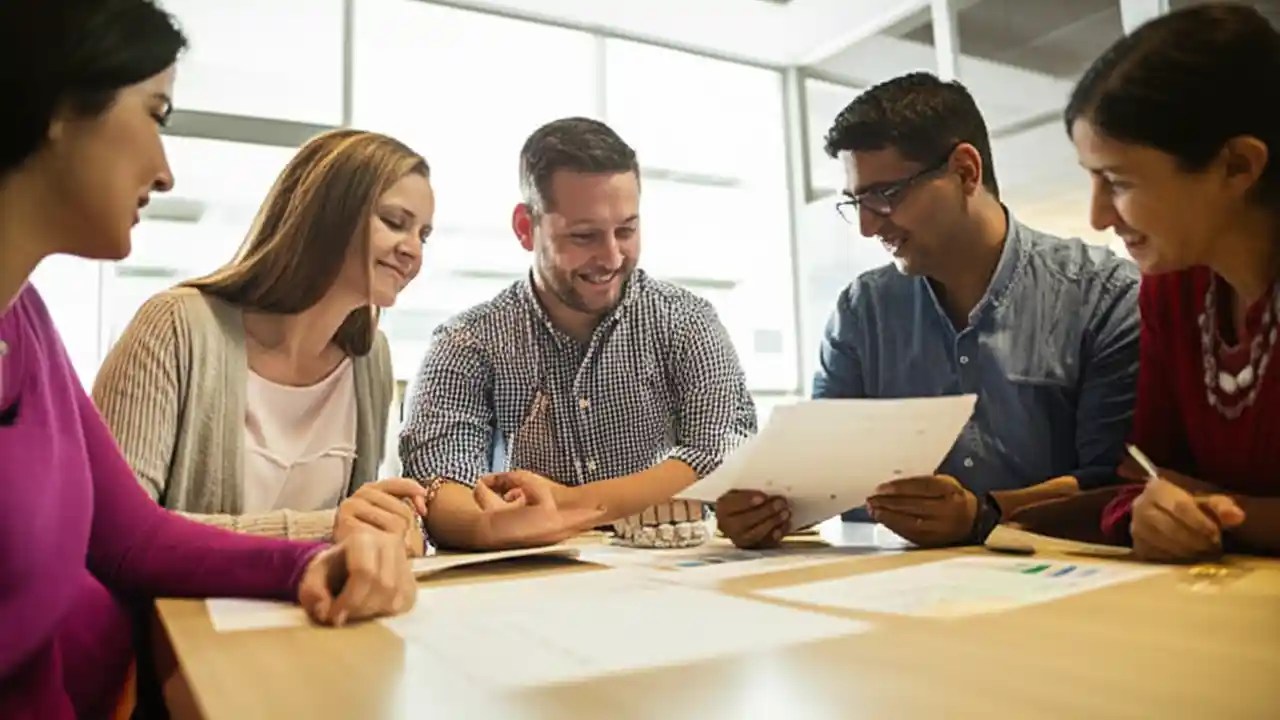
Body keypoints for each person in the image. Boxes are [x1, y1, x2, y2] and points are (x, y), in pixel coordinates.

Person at [0, 2, 414, 717]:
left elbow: (133, 536)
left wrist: (316, 559)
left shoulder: (27, 321)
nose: (164, 173)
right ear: (56, 105)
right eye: (155, 114)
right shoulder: (178, 327)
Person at [717, 73, 1141, 549]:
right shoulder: (863, 312)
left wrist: (985, 514)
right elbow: (819, 477)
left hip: (1066, 579)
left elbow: (1113, 482)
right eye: (856, 202)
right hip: (900, 588)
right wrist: (764, 511)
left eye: (885, 195)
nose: (865, 226)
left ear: (965, 172)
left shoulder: (1103, 295)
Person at [398, 117, 757, 550]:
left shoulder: (687, 320)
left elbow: (721, 455)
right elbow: (437, 481)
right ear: (525, 228)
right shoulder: (467, 342)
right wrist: (484, 524)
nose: (611, 257)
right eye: (584, 236)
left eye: (626, 229)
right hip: (529, 586)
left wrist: (568, 503)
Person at [93, 128, 437, 554]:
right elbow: (110, 531)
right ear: (326, 213)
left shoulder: (370, 359)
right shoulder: (176, 326)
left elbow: (351, 537)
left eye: (423, 235)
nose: (413, 251)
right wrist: (327, 528)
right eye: (394, 222)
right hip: (177, 618)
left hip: (310, 616)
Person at [1067, 2, 1280, 561]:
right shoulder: (1173, 290)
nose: (1097, 217)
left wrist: (1236, 515)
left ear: (1237, 166)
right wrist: (1151, 513)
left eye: (1116, 181)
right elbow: (1142, 476)